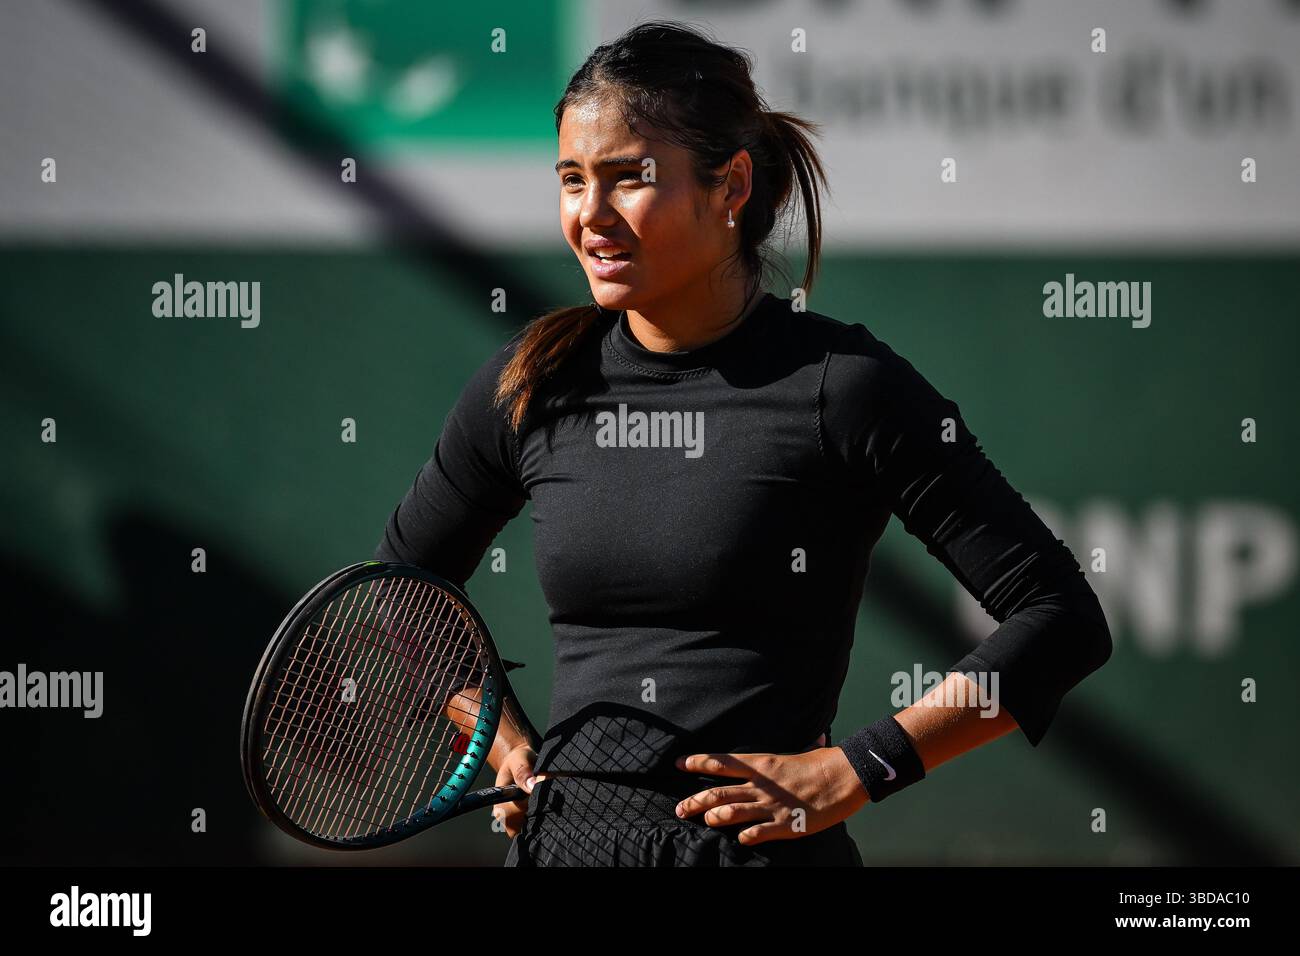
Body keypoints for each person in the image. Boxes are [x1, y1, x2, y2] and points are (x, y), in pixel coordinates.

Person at [373, 20, 1112, 867]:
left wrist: (859, 769)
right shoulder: (533, 382)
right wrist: (502, 743)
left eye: (627, 180)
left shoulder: (843, 385)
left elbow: (1061, 618)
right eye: (572, 181)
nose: (590, 216)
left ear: (730, 189)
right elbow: (401, 591)